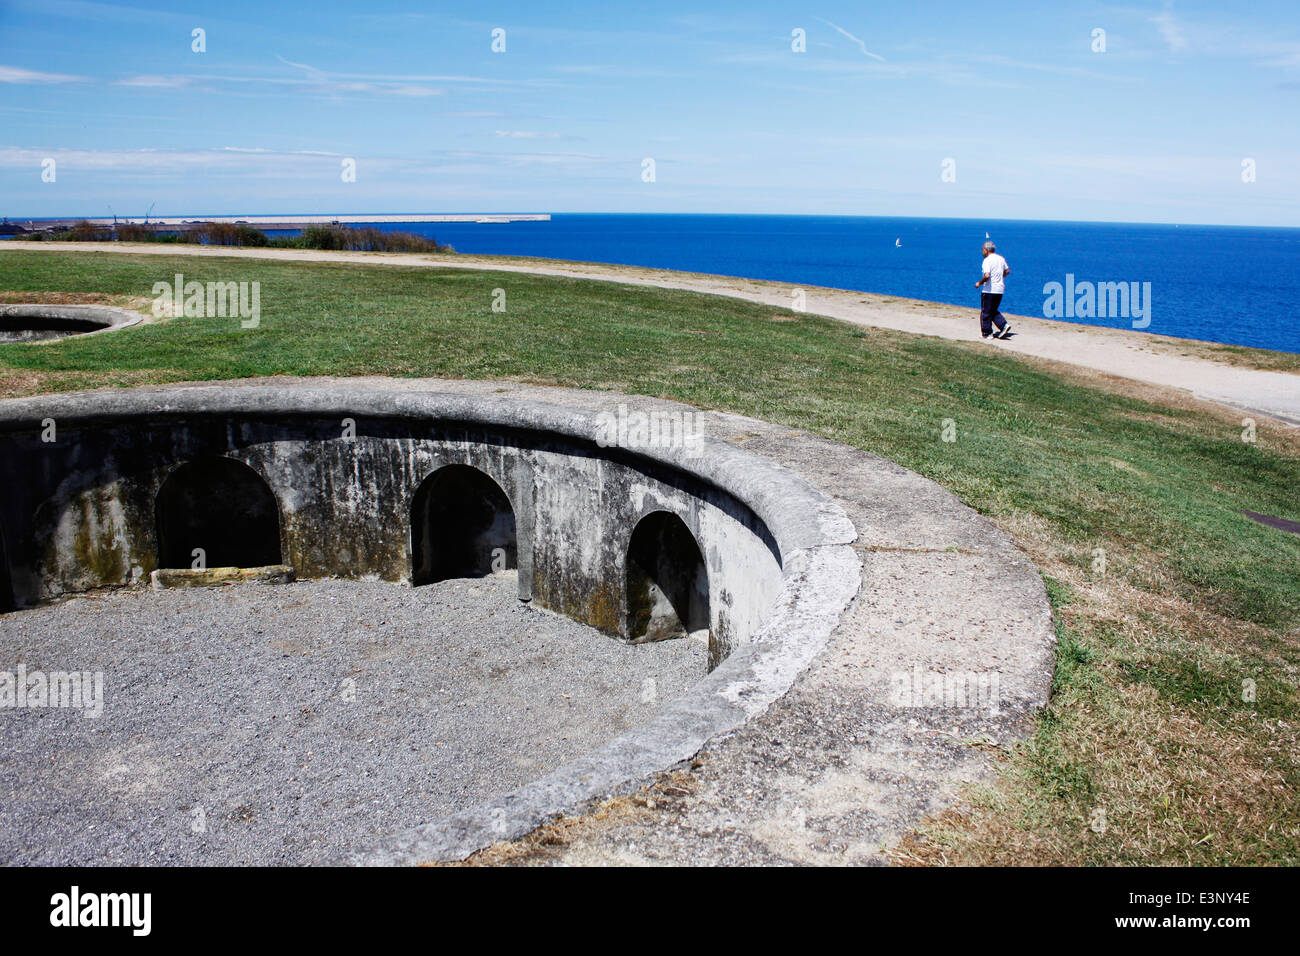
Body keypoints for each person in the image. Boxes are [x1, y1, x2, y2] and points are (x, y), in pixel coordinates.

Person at [974, 240, 1012, 339]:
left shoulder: (987, 260)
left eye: (982, 250)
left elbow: (987, 275)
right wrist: (1000, 277)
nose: (982, 252)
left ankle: (987, 333)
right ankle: (1003, 325)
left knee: (986, 311)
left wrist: (979, 283)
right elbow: (1007, 271)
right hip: (999, 289)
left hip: (989, 290)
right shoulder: (1001, 259)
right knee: (993, 310)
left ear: (986, 250)